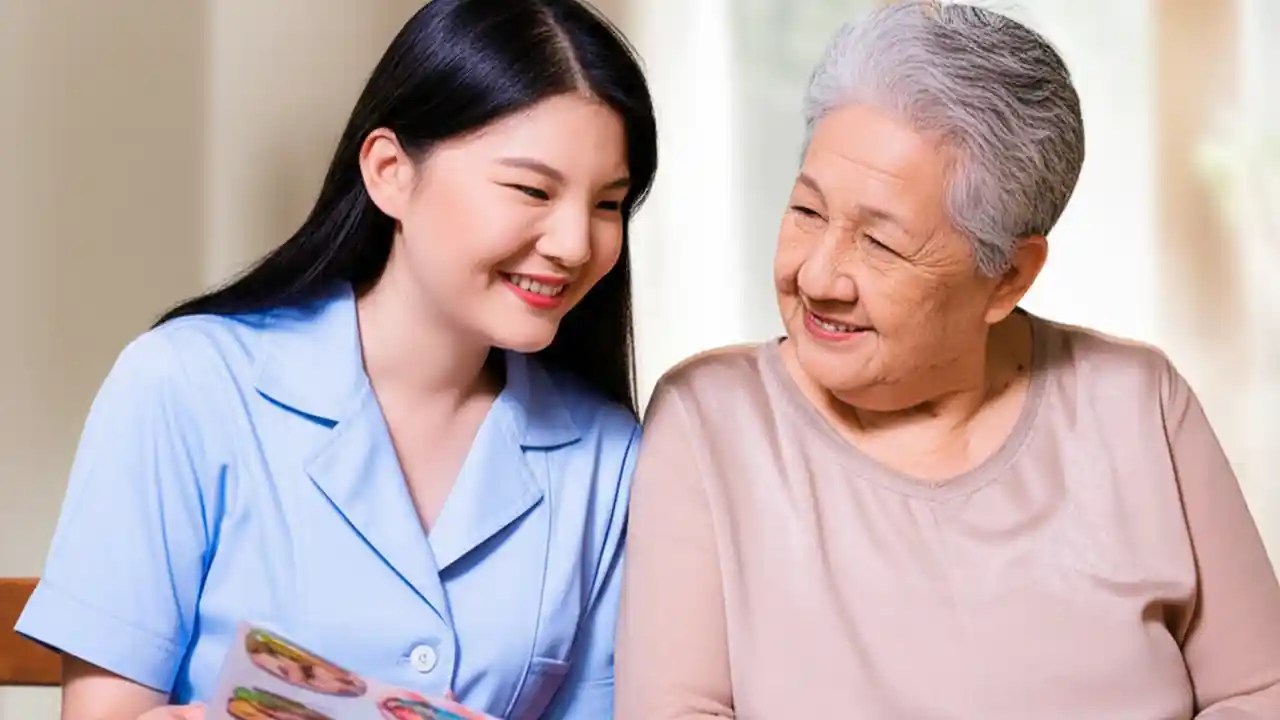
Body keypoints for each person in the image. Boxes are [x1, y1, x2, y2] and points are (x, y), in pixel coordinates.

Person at [614, 2, 1280, 718]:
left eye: (880, 243)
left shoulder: (1137, 401)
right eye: (807, 212)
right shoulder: (712, 421)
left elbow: (1258, 688)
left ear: (1008, 278)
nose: (817, 277)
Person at [16, 0, 657, 718]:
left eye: (609, 204)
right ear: (389, 171)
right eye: (532, 189)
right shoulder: (184, 385)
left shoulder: (608, 457)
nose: (575, 243)